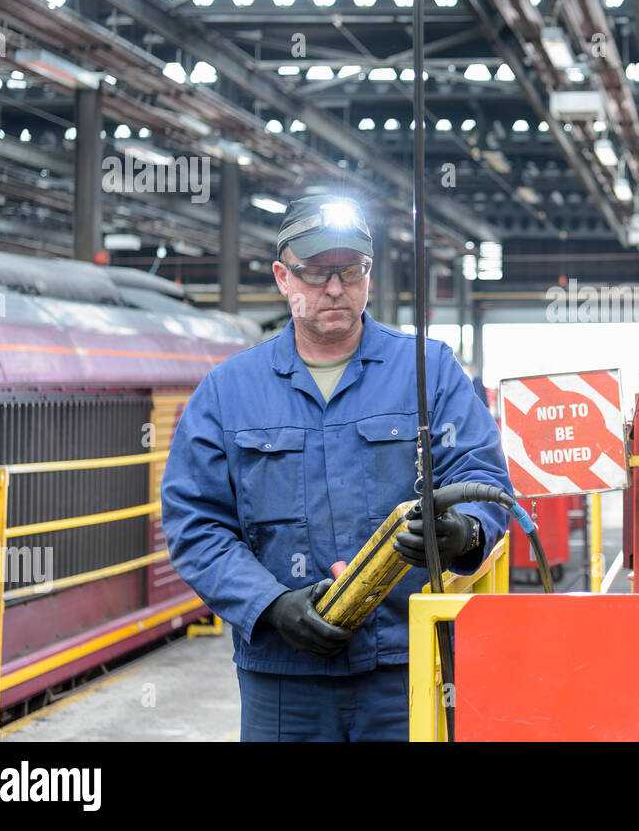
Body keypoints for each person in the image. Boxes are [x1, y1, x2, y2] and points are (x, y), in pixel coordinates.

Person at [160, 194, 513, 741]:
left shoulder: (428, 369)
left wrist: (462, 531)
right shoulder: (229, 392)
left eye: (350, 270)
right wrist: (271, 605)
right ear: (283, 276)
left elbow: (482, 478)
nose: (334, 288)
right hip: (283, 682)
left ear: (368, 274)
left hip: (405, 667)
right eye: (317, 271)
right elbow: (196, 525)